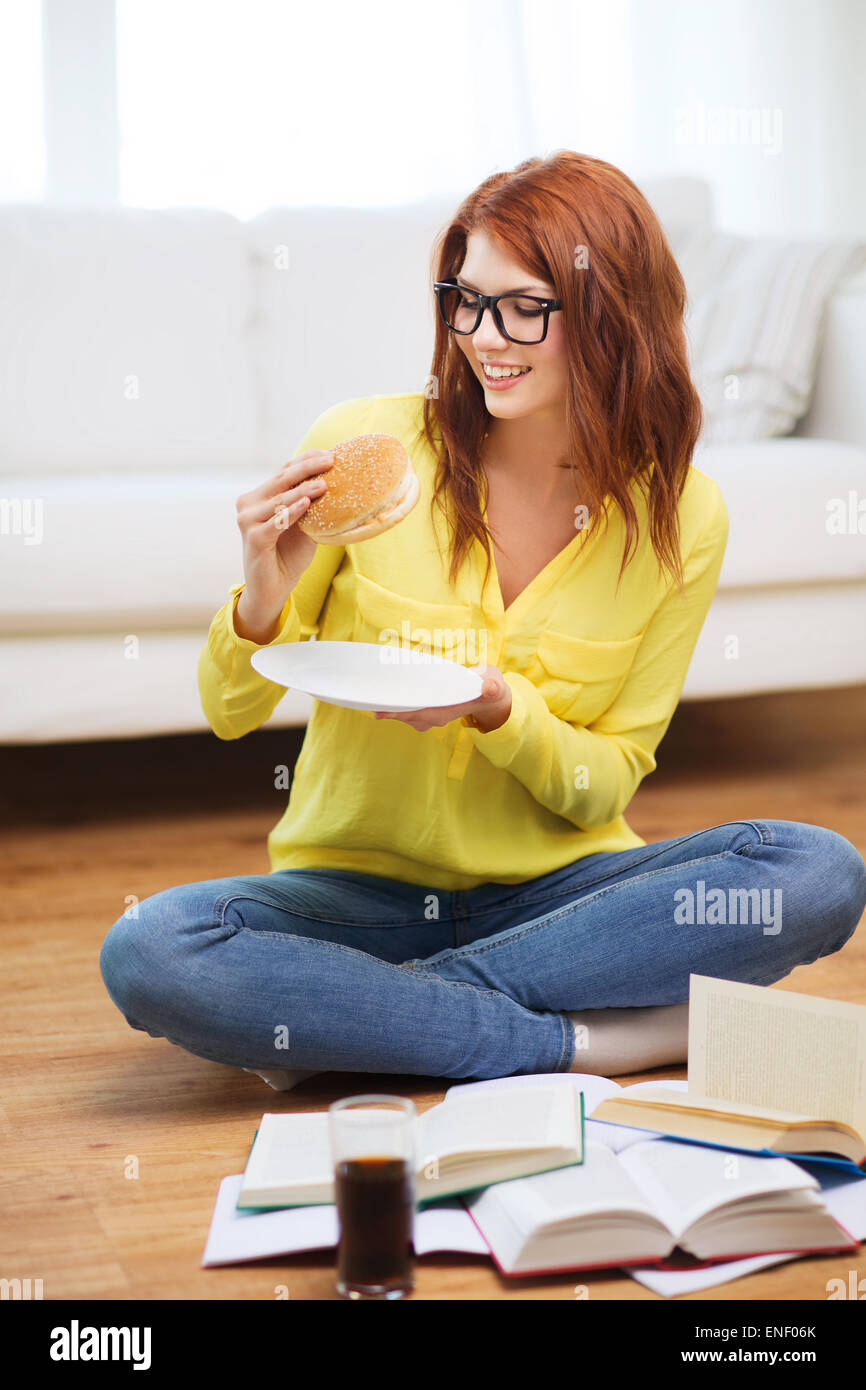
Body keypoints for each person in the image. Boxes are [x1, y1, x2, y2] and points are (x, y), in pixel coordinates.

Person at [99, 151, 866, 1090]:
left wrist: (503, 713)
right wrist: (262, 594)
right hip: (354, 896)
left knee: (815, 871)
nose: (483, 337)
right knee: (151, 945)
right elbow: (229, 713)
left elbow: (603, 786)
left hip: (565, 903)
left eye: (523, 306)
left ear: (611, 314)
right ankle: (578, 1043)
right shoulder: (367, 449)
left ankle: (367, 1014)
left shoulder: (682, 516)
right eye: (464, 299)